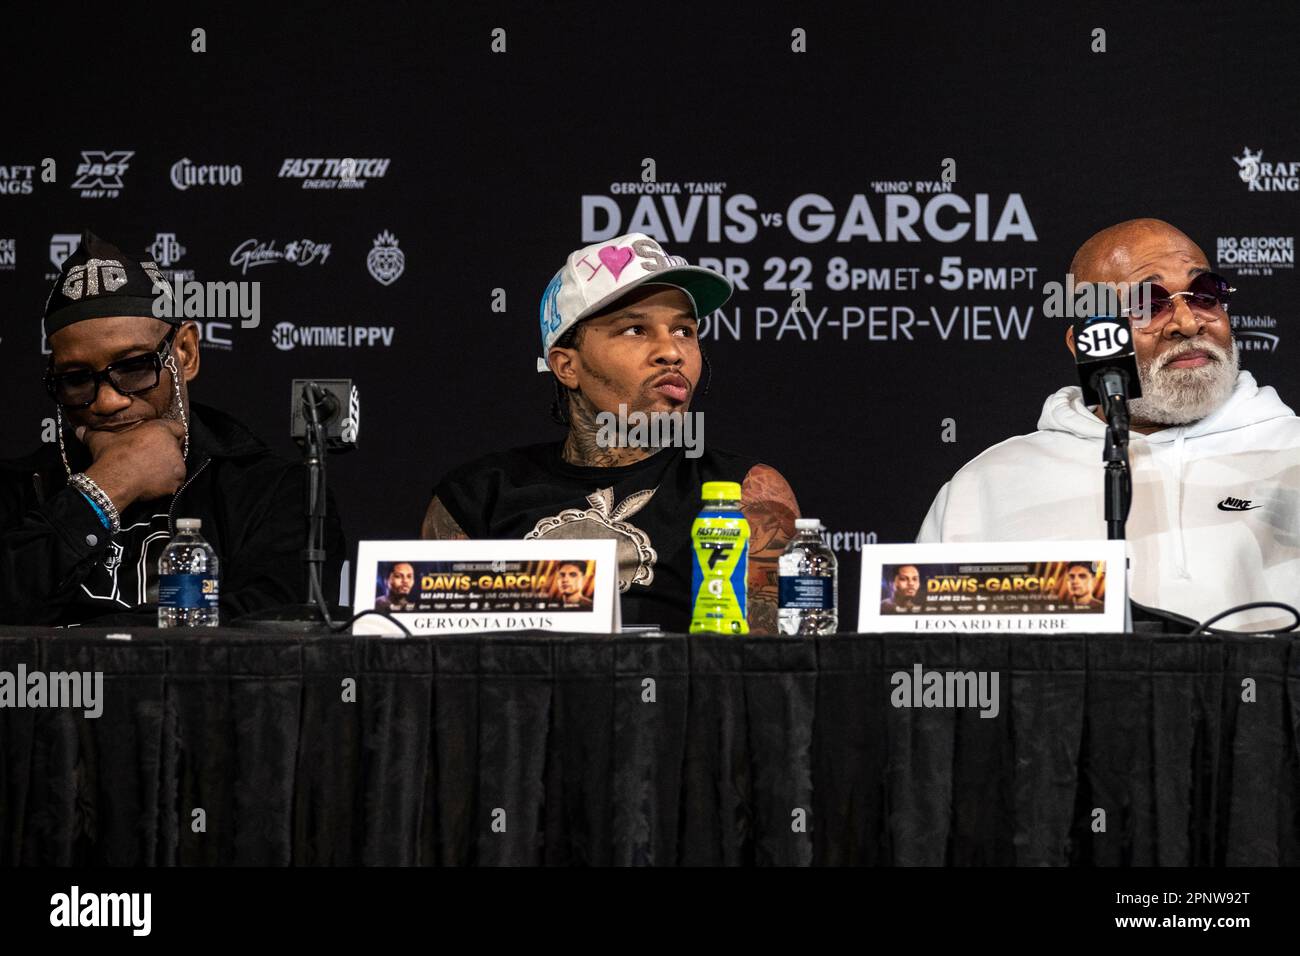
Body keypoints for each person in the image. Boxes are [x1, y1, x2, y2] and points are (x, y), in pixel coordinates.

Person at [919, 218, 1300, 630]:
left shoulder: (1292, 454)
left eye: (1205, 296)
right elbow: (928, 649)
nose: (1188, 323)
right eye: (1147, 305)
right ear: (1087, 340)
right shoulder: (988, 486)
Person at [422, 233, 800, 633]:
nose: (672, 352)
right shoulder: (476, 498)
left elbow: (769, 674)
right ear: (567, 366)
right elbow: (440, 671)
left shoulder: (741, 493)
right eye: (635, 329)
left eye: (684, 331)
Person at [0, 230, 346, 626]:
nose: (107, 401)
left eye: (133, 367)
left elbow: (276, 630)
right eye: (77, 379)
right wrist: (106, 489)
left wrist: (78, 635)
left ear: (185, 352)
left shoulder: (274, 492)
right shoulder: (15, 490)